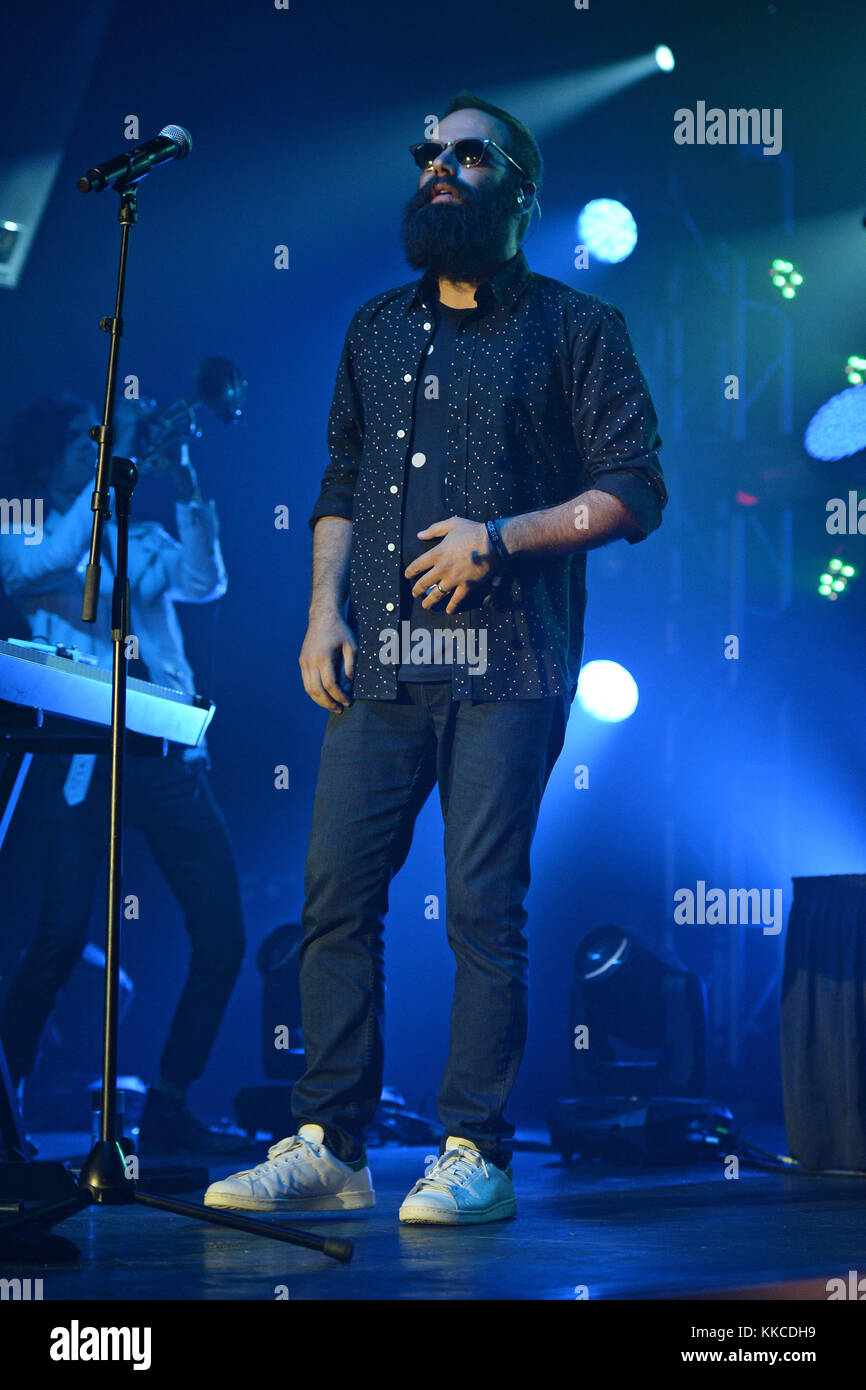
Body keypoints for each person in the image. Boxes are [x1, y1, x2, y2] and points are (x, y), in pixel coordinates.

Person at [205, 90, 667, 1222]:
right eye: (428, 153)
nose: (440, 168)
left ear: (519, 186)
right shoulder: (374, 327)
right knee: (335, 897)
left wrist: (499, 539)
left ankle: (475, 1150)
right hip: (381, 667)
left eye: (469, 153)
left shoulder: (577, 327)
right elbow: (338, 483)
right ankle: (330, 1145)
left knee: (478, 906)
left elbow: (635, 490)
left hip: (509, 660)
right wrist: (323, 614)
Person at [0, 395, 247, 1156]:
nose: (95, 450)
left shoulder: (132, 526)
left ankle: (169, 1101)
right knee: (59, 937)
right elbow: (34, 567)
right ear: (50, 455)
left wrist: (186, 484)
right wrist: (105, 480)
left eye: (99, 442)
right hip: (80, 763)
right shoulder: (21, 522)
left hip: (168, 756)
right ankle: (3, 1114)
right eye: (83, 441)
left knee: (222, 935)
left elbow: (205, 583)